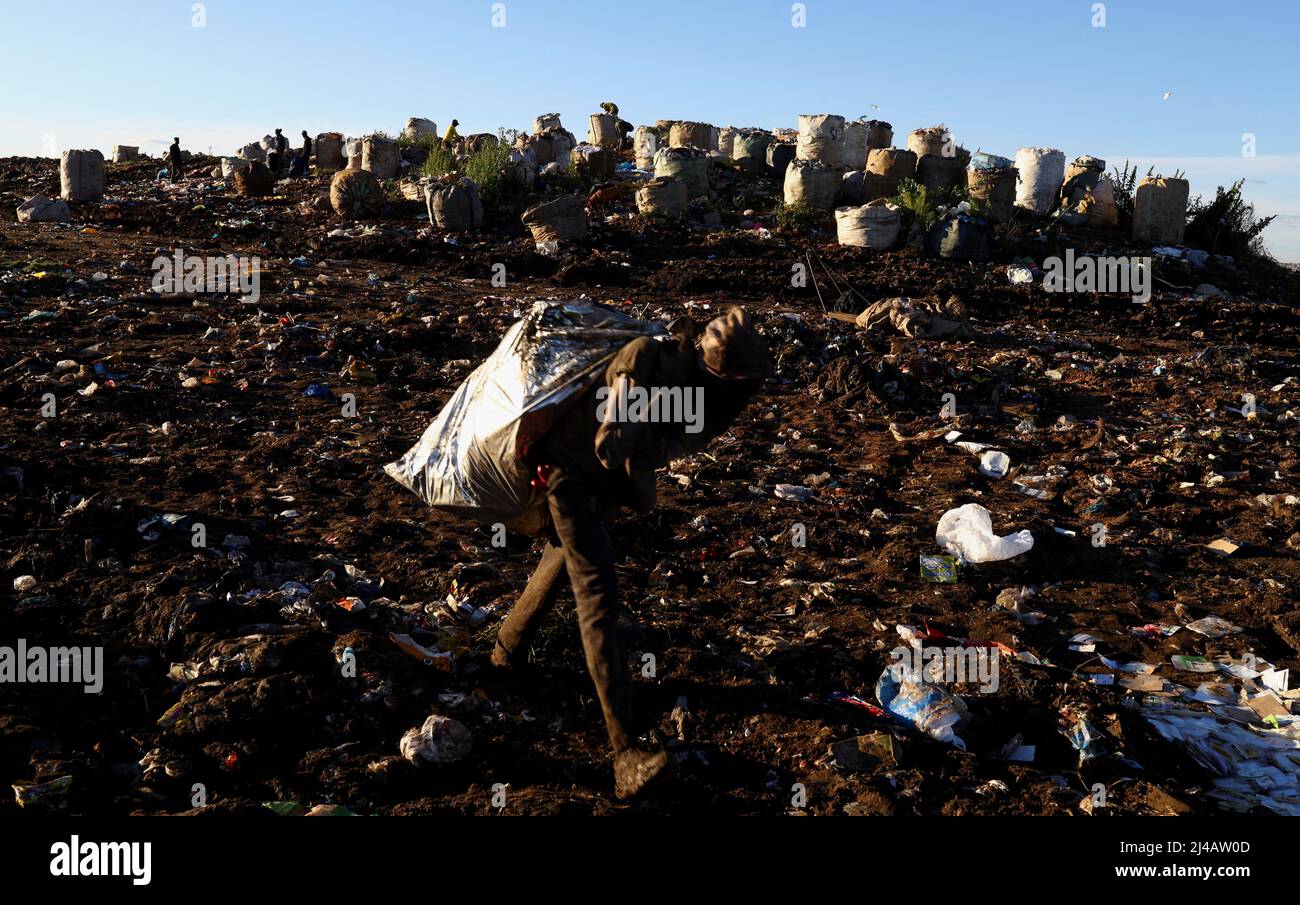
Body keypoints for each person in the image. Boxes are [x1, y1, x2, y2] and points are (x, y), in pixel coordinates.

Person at [491, 307, 772, 799]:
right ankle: (625, 754)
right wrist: (638, 433)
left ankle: (502, 658)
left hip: (599, 486)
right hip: (570, 478)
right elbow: (609, 443)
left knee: (561, 566)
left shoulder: (691, 386)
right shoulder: (644, 358)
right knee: (597, 600)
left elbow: (655, 444)